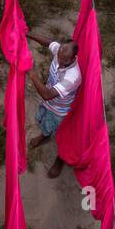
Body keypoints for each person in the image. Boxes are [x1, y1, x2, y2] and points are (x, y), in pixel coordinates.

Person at [26, 31, 81, 178]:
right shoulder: (61, 51)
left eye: (65, 61)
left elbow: (47, 95)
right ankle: (44, 135)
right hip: (49, 105)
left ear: (74, 59)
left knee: (64, 139)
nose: (61, 62)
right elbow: (47, 42)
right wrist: (27, 33)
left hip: (60, 111)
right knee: (45, 123)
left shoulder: (73, 77)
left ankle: (60, 160)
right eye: (59, 55)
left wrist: (32, 75)